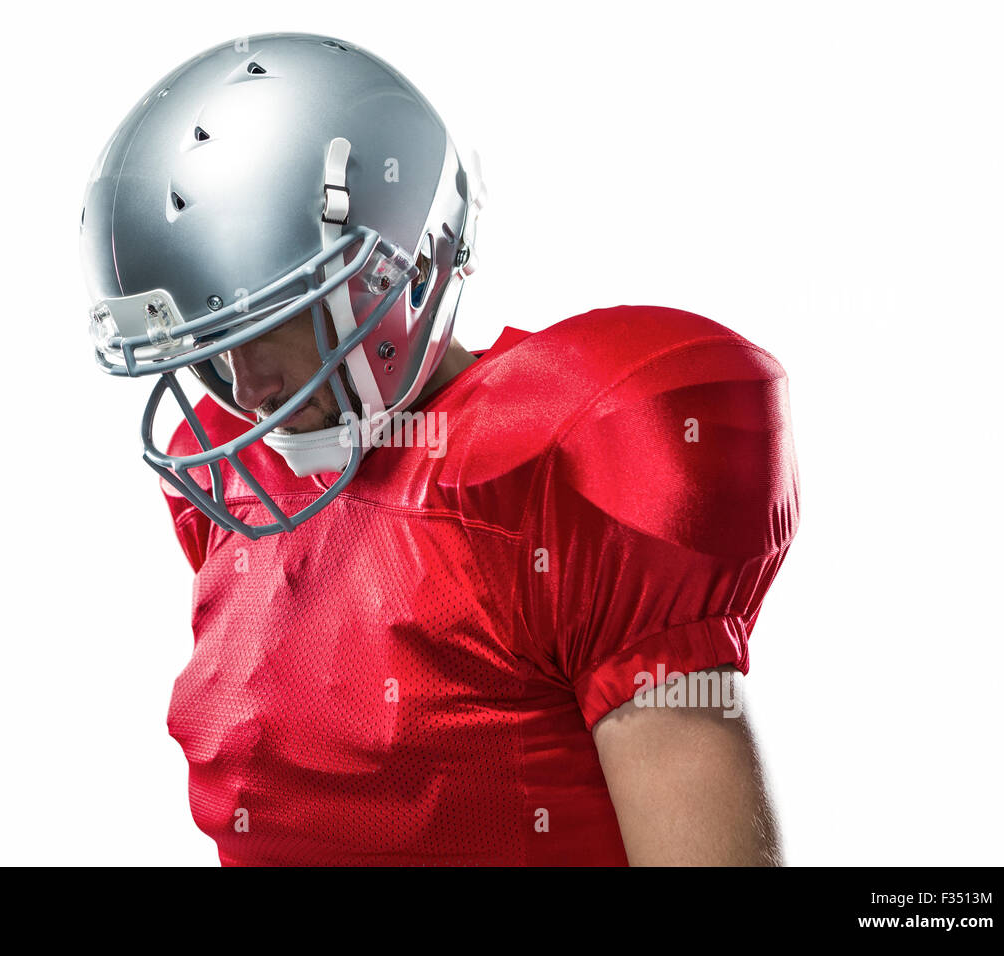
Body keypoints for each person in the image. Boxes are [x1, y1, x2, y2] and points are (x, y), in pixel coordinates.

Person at [80, 32, 799, 866]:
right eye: (209, 345)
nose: (246, 391)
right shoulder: (238, 484)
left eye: (266, 322)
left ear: (400, 270)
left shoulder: (560, 463)